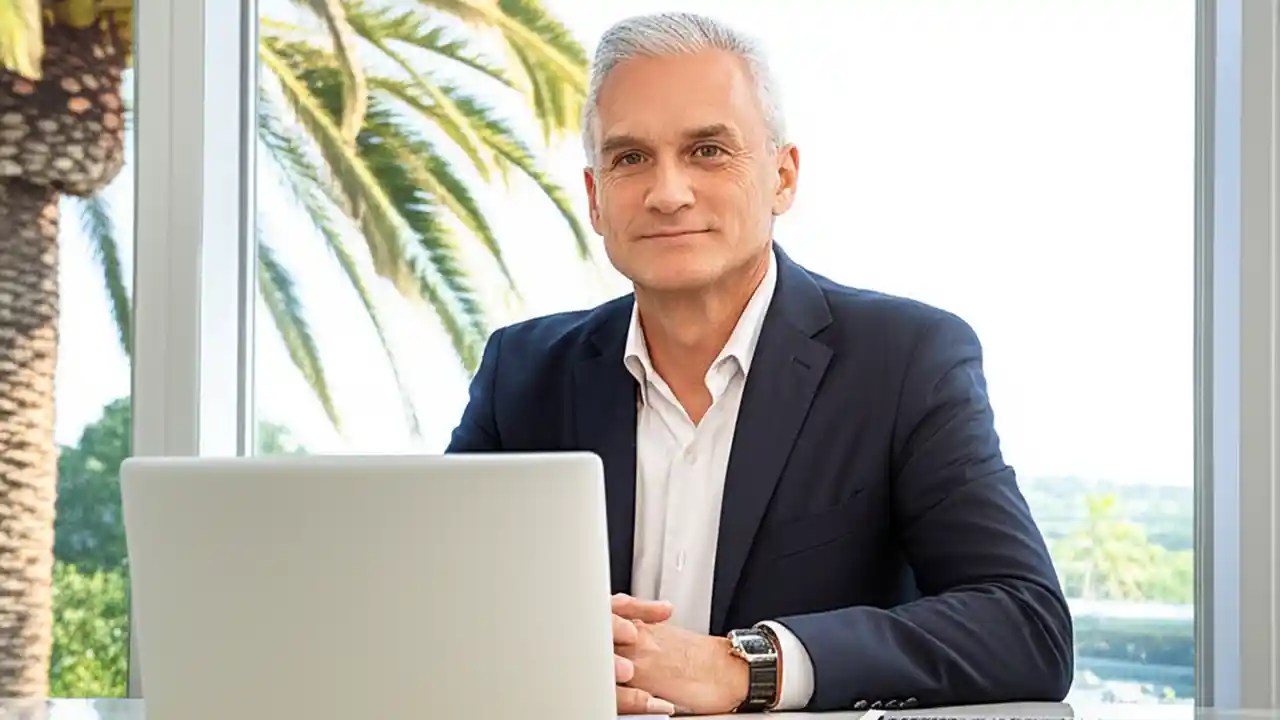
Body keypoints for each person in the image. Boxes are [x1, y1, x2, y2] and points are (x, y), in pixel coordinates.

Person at [446, 11, 1073, 716]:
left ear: (782, 177)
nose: (668, 192)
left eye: (708, 151)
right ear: (595, 198)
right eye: (630, 158)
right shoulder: (522, 374)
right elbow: (431, 607)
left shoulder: (904, 361)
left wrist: (747, 665)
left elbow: (1026, 626)